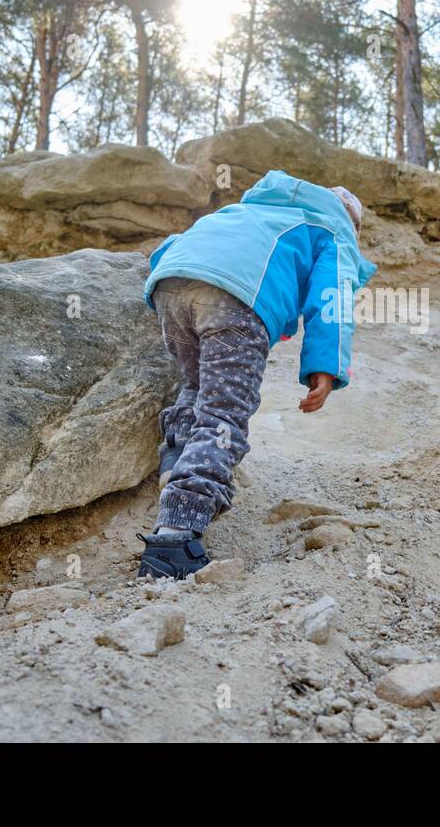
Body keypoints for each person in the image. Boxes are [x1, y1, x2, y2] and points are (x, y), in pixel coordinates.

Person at [135, 170, 375, 579]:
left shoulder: (247, 209)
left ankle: (176, 459)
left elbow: (173, 247)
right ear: (348, 220)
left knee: (197, 385)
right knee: (225, 413)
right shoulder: (330, 229)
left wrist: (160, 290)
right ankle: (173, 538)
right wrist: (325, 366)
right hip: (237, 300)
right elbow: (331, 295)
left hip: (172, 286)